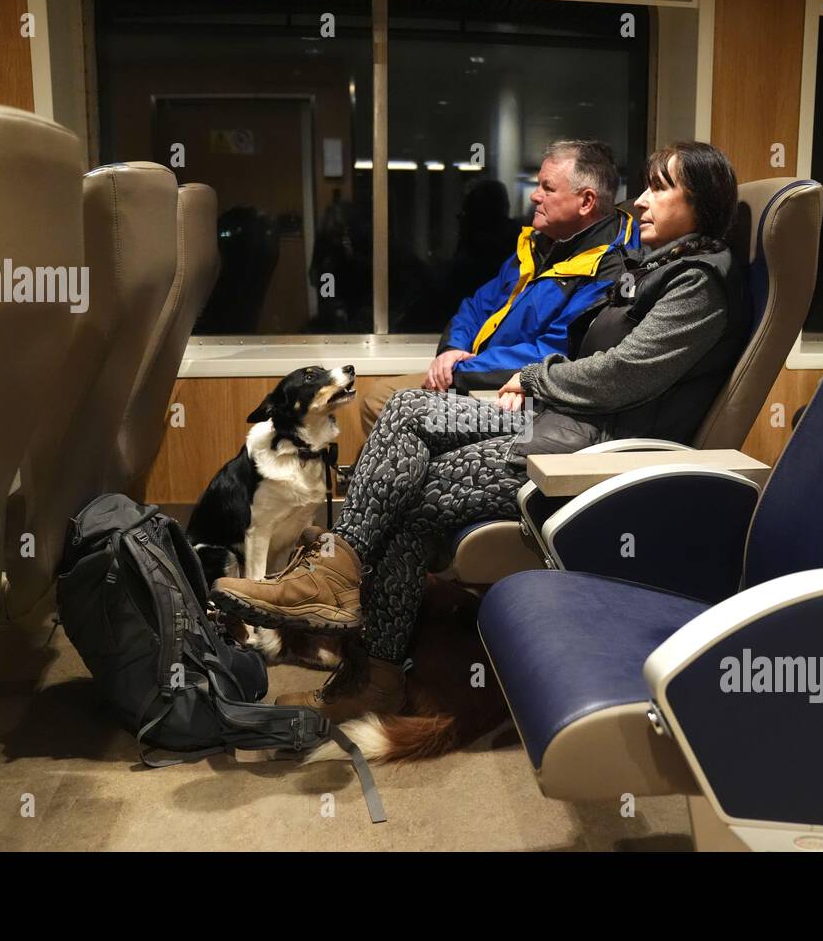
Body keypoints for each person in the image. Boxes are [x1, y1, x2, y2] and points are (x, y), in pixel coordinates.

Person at [212, 141, 748, 722]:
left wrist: (534, 375)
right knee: (406, 414)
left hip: (594, 451)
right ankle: (350, 609)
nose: (641, 202)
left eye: (660, 188)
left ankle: (353, 620)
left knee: (414, 481)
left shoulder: (697, 284)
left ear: (702, 204)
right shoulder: (657, 267)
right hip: (566, 422)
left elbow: (621, 375)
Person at [357, 139, 639, 432]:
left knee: (383, 404)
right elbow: (477, 306)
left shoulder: (612, 269)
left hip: (524, 396)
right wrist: (452, 349)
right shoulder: (539, 246)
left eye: (547, 188)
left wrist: (458, 371)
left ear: (586, 201)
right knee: (378, 400)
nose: (534, 196)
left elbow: (555, 351)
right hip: (479, 374)